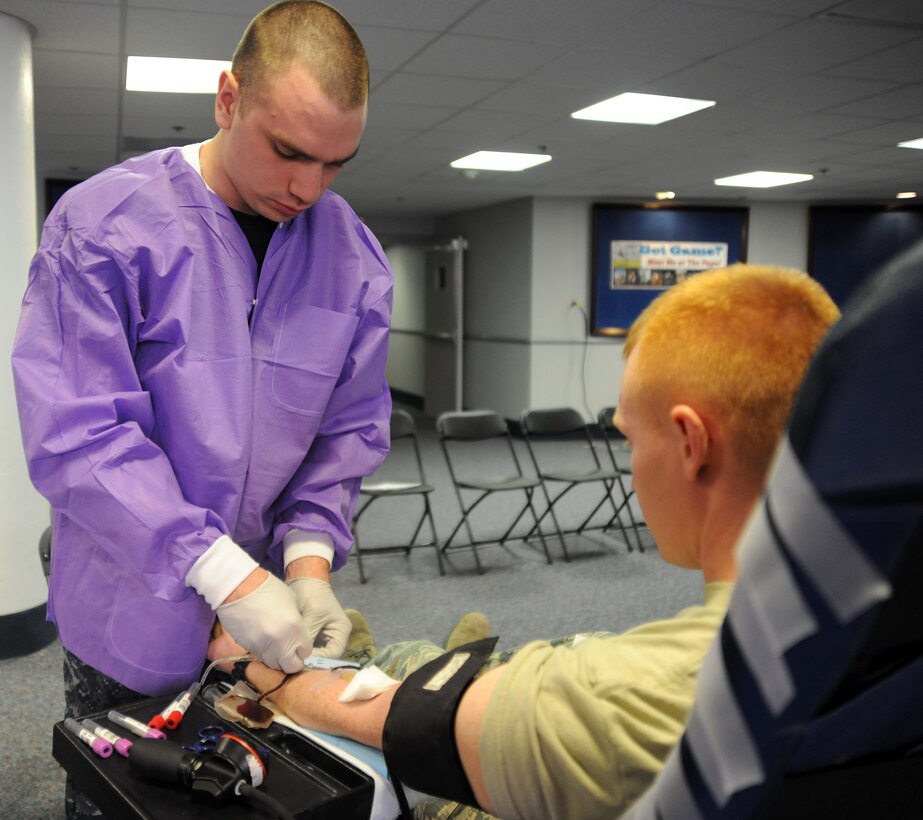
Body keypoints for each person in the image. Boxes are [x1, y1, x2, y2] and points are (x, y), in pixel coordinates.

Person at [210, 264, 840, 820]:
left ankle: (399, 659)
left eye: (629, 438)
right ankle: (414, 656)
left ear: (690, 443)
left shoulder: (634, 691)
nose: (628, 464)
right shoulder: (862, 604)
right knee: (476, 660)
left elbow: (405, 721)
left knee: (431, 714)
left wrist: (253, 668)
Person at [12, 2, 390, 815]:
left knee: (244, 795)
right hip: (130, 609)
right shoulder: (104, 225)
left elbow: (346, 432)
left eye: (335, 163)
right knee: (122, 796)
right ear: (227, 98)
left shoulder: (351, 256)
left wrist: (308, 565)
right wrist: (222, 572)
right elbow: (80, 434)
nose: (307, 187)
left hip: (262, 621)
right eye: (288, 150)